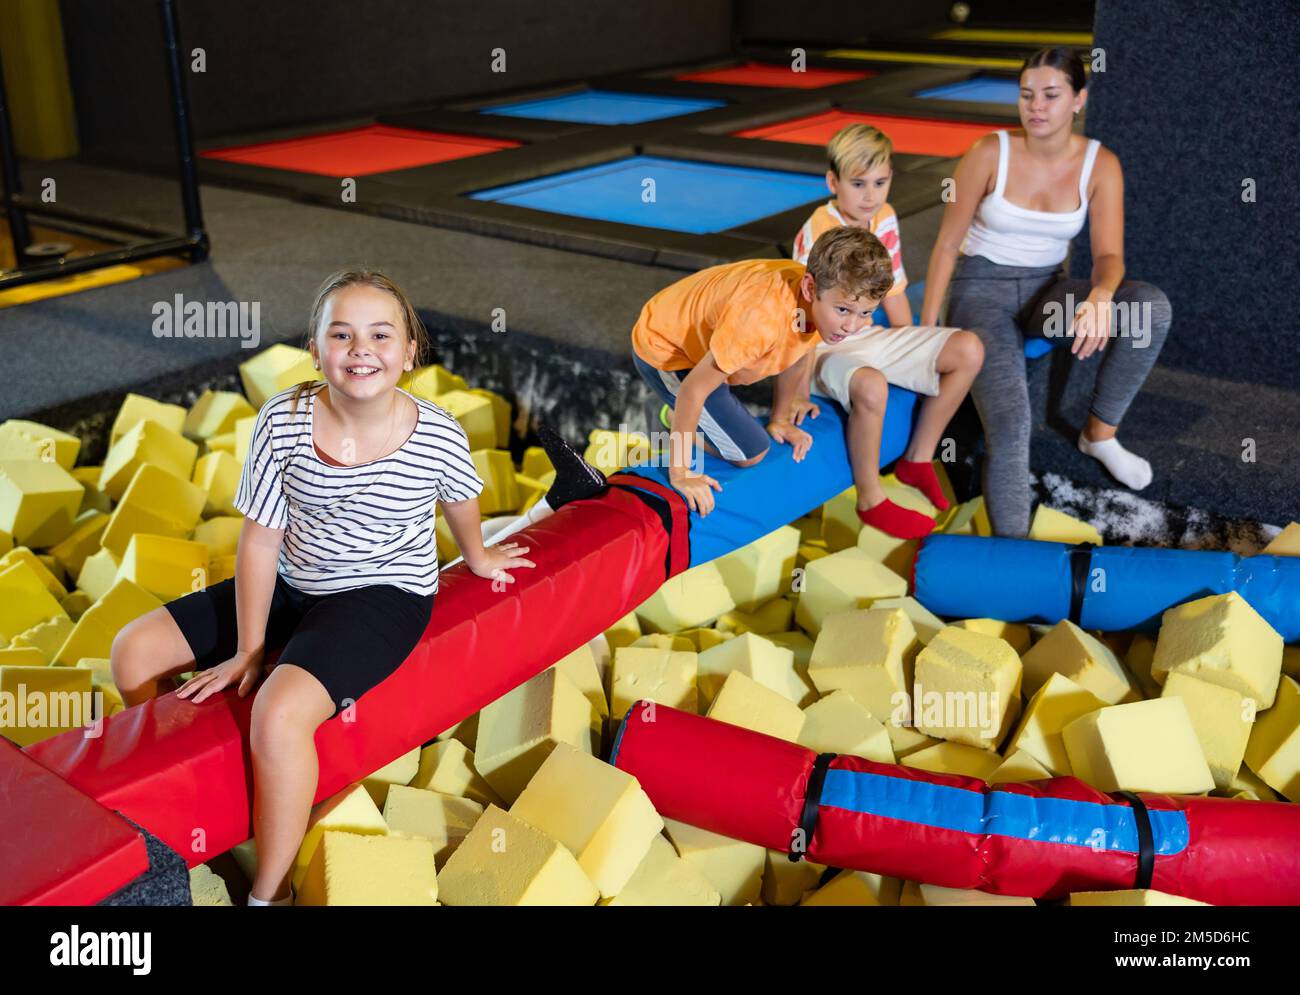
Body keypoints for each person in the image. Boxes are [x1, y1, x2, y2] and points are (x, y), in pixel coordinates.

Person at [109, 270, 534, 906]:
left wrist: (476, 557)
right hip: (293, 580)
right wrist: (249, 648)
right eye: (342, 334)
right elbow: (259, 539)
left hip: (382, 594)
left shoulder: (439, 433)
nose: (361, 349)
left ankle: (270, 893)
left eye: (380, 335)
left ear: (409, 352)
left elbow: (462, 502)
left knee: (278, 716)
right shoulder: (283, 421)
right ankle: (190, 798)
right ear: (316, 350)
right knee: (131, 651)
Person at [921, 46, 1172, 538]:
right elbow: (947, 244)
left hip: (1046, 297)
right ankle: (1013, 559)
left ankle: (1099, 435)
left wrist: (1101, 296)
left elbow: (1108, 257)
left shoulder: (1101, 164)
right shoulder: (989, 152)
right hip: (980, 293)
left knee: (1148, 309)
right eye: (1026, 95)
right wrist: (928, 331)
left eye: (1051, 95)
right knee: (1013, 426)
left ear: (1078, 100)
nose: (1036, 106)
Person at [632, 226, 905, 531]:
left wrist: (780, 419)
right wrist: (681, 472)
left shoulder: (819, 300)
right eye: (844, 310)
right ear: (810, 288)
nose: (852, 326)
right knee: (750, 453)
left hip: (702, 336)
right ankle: (672, 421)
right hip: (667, 349)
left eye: (866, 313)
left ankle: (692, 417)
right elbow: (692, 391)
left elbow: (799, 352)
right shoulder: (760, 322)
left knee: (733, 400)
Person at [792, 123, 985, 537]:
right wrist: (795, 392)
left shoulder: (884, 216)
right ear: (833, 182)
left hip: (867, 335)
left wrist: (913, 344)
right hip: (825, 346)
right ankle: (870, 498)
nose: (869, 195)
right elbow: (802, 316)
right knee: (873, 387)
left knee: (968, 349)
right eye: (858, 183)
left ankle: (918, 458)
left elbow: (894, 287)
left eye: (880, 183)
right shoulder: (818, 232)